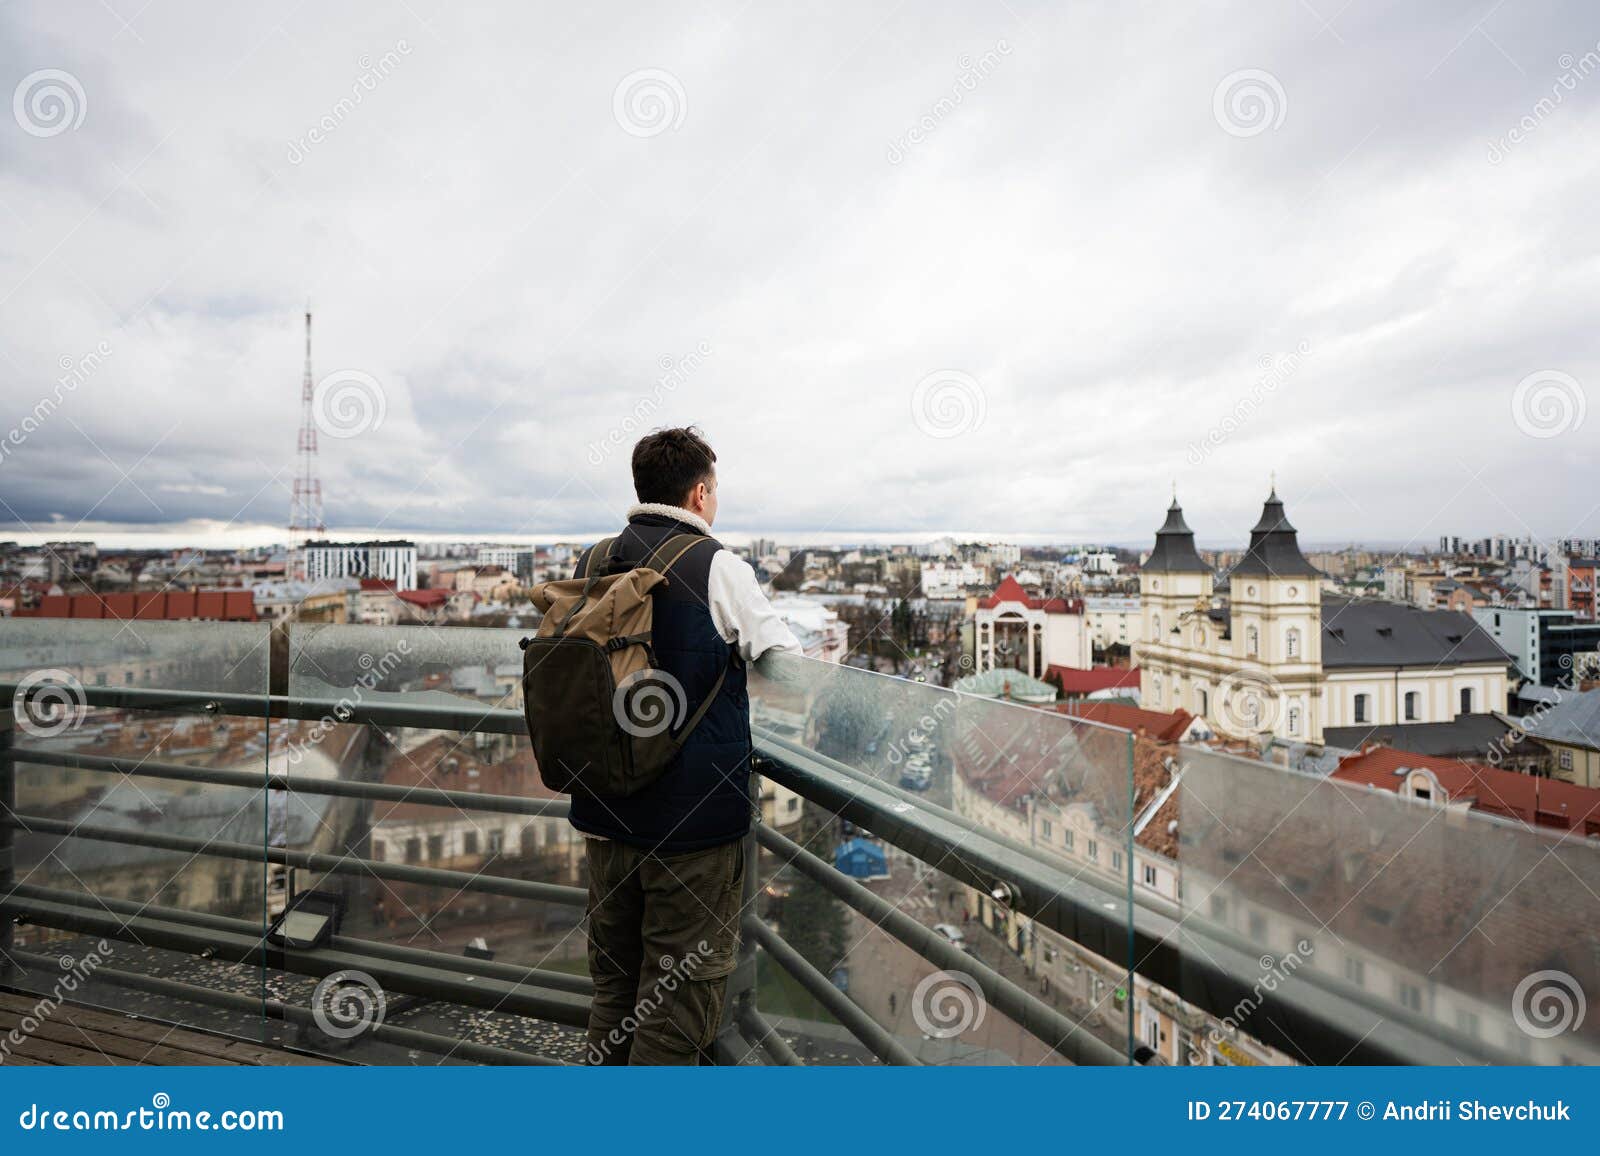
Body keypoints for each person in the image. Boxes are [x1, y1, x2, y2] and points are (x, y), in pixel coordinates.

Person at [574, 426, 800, 1065]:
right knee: (674, 1012)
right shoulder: (717, 566)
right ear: (700, 494)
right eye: (715, 489)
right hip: (693, 828)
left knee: (614, 992)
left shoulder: (593, 561)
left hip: (606, 812)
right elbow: (786, 660)